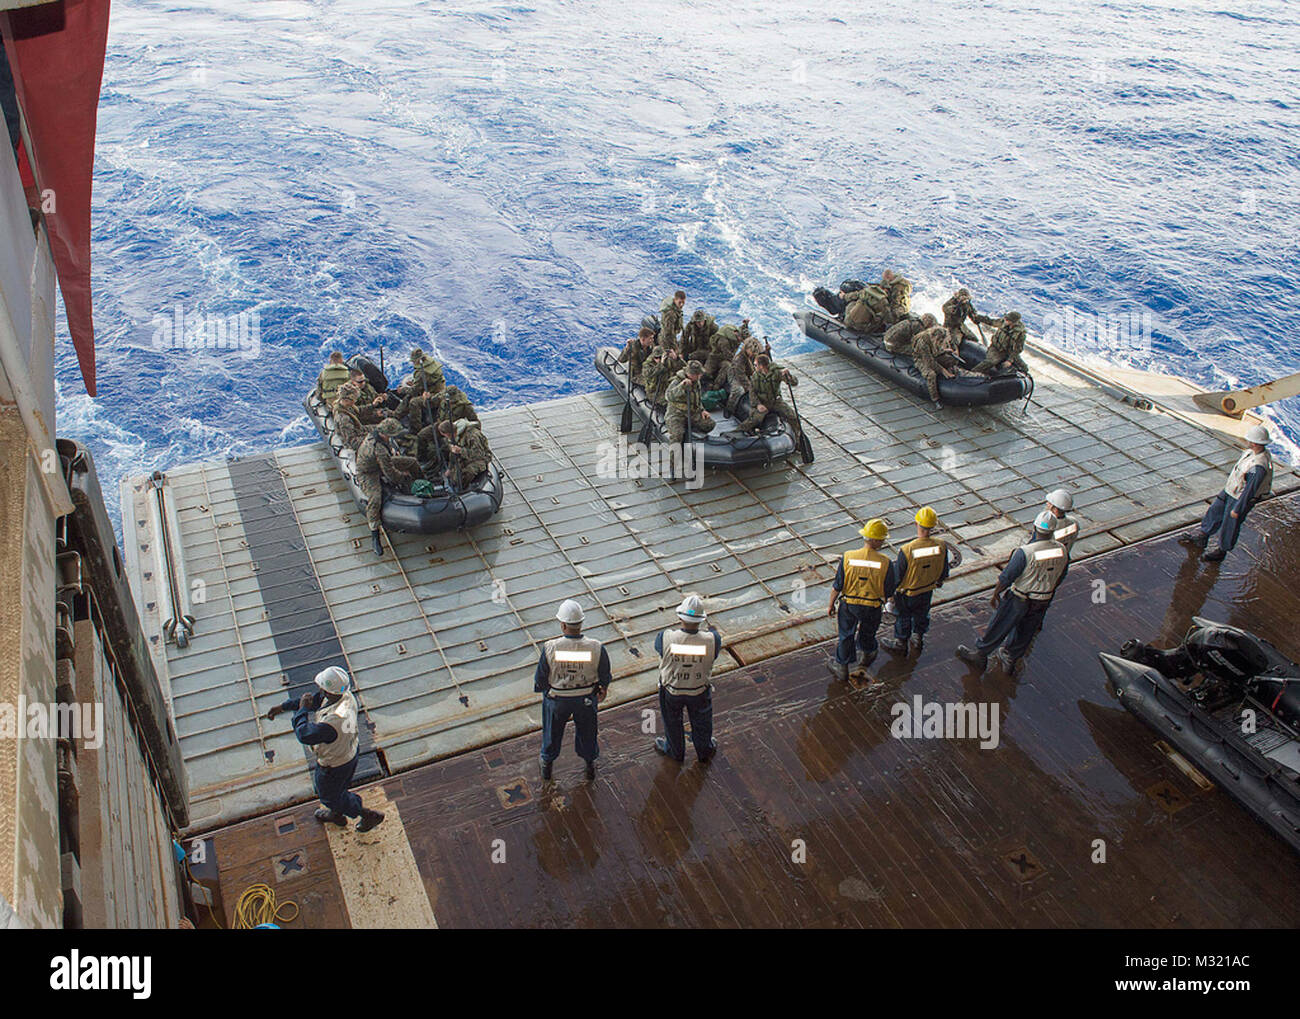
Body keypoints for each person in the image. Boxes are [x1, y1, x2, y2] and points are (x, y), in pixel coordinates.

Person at [266, 666, 385, 832]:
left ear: (328, 691)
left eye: (322, 688)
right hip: (349, 752)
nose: (319, 690)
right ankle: (337, 814)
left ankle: (366, 814)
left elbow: (304, 734)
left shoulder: (332, 722)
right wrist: (284, 707)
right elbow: (316, 701)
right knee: (339, 789)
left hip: (334, 765)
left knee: (330, 796)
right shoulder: (345, 696)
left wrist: (301, 710)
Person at [955, 510, 1068, 673]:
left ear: (1035, 528)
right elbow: (1061, 575)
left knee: (1000, 624)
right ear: (1053, 531)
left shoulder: (1025, 552)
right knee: (1026, 630)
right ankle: (1010, 658)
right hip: (1043, 599)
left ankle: (980, 655)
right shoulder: (1062, 550)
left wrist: (995, 594)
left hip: (1020, 597)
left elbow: (1006, 578)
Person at [536, 599, 612, 781]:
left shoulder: (550, 647)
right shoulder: (596, 647)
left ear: (563, 625)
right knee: (588, 731)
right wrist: (603, 689)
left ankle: (547, 763)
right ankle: (589, 763)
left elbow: (541, 679)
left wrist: (549, 693)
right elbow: (604, 674)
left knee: (552, 732)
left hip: (558, 699)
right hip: (585, 698)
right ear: (581, 623)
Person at [1179, 424, 1273, 562]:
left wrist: (1238, 508)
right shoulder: (1251, 453)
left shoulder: (1258, 466)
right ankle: (1203, 536)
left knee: (1230, 524)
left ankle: (1222, 551)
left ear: (1254, 442)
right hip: (1231, 490)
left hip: (1239, 497)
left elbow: (1250, 490)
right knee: (1215, 511)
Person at [826, 518, 898, 680]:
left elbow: (837, 585)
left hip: (849, 604)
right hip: (872, 606)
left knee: (846, 635)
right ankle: (867, 655)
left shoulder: (848, 557)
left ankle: (842, 667)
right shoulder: (885, 562)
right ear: (877, 540)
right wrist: (891, 606)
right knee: (868, 632)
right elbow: (889, 591)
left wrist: (831, 605)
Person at [653, 595, 722, 764]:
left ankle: (675, 751)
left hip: (672, 689)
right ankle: (704, 750)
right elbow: (713, 653)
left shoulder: (664, 637)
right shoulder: (713, 640)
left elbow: (660, 650)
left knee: (672, 721)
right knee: (702, 721)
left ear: (679, 617)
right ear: (701, 620)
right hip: (698, 689)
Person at [880, 506, 951, 654]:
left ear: (916, 524)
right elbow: (944, 571)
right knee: (922, 614)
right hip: (927, 590)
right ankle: (918, 638)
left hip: (907, 593)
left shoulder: (907, 549)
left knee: (903, 617)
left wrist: (889, 594)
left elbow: (897, 576)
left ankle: (901, 642)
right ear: (933, 526)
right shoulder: (941, 545)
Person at [355, 418, 420, 556]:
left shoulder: (379, 436)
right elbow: (390, 473)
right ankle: (374, 535)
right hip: (368, 472)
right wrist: (404, 477)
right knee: (375, 498)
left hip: (382, 462)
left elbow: (389, 459)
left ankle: (422, 483)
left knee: (412, 462)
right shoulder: (378, 449)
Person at [738, 354, 800, 441]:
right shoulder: (755, 376)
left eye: (755, 365)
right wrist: (758, 404)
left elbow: (794, 383)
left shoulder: (777, 372)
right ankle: (738, 433)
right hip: (762, 402)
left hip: (775, 401)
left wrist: (788, 375)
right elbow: (752, 392)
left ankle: (797, 439)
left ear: (761, 366)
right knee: (753, 420)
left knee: (793, 417)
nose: (754, 367)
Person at [911, 323, 966, 407]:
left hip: (934, 354)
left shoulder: (940, 336)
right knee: (931, 375)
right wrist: (943, 371)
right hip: (921, 359)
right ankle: (935, 399)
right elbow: (929, 362)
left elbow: (939, 349)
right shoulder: (922, 343)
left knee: (951, 359)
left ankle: (955, 372)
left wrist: (946, 351)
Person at [664, 360, 714, 443]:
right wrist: (681, 387)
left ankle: (694, 440)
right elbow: (668, 396)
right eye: (698, 374)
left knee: (710, 424)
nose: (700, 376)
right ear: (691, 374)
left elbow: (697, 398)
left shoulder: (696, 382)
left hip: (691, 412)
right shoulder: (677, 381)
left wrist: (702, 410)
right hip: (677, 414)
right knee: (677, 435)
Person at [436, 417, 492, 490]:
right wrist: (450, 468)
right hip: (467, 455)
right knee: (455, 475)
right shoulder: (453, 437)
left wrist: (461, 451)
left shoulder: (472, 436)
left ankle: (465, 491)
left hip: (481, 458)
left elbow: (479, 454)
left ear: (449, 433)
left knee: (467, 472)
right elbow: (452, 454)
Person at [1044, 488, 1080, 555]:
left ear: (1055, 509)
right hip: (1063, 559)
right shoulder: (1074, 523)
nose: (1047, 504)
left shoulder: (1046, 526)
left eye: (1049, 503)